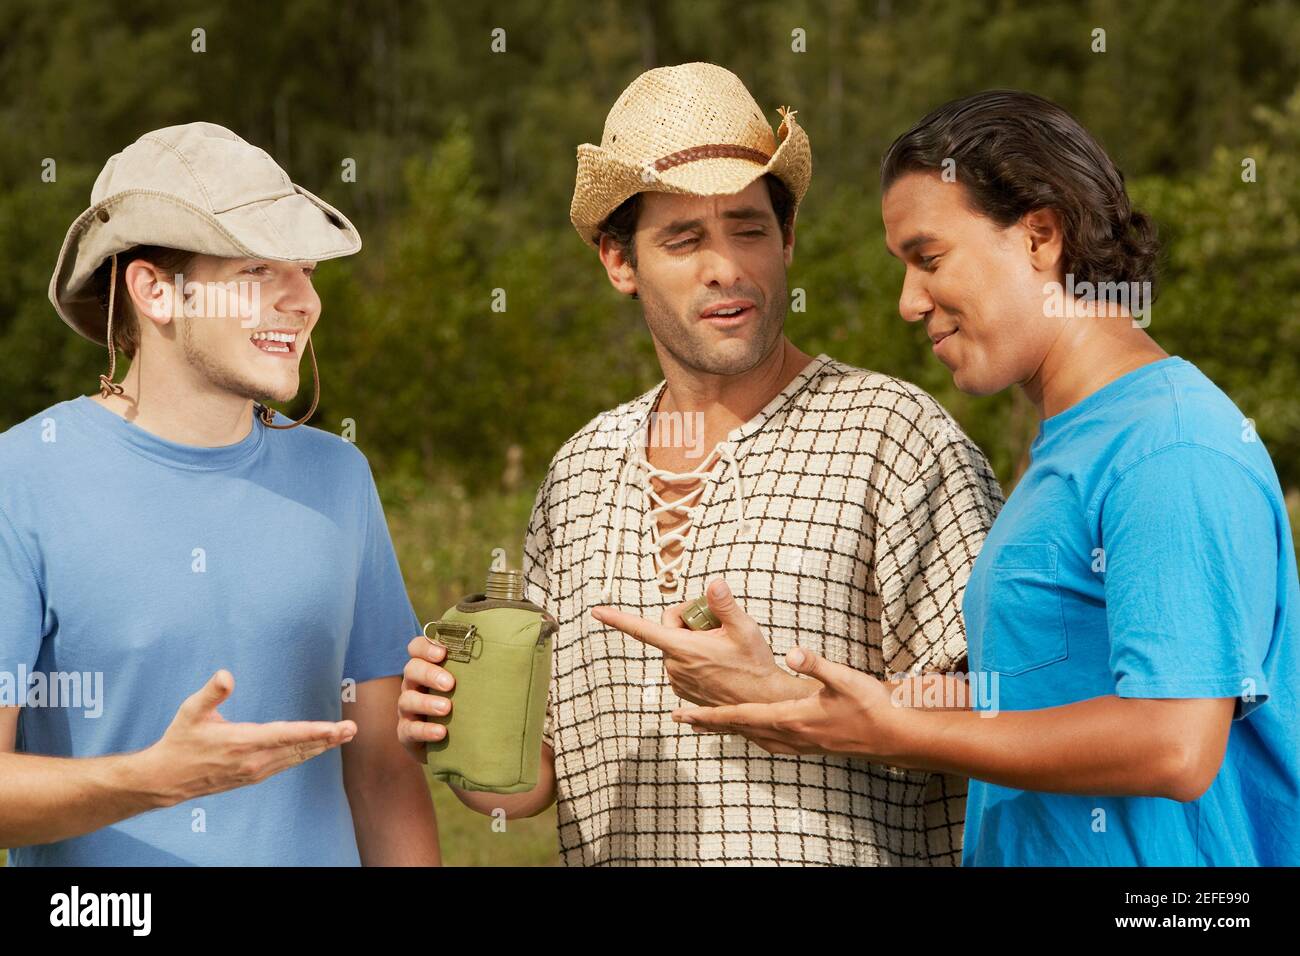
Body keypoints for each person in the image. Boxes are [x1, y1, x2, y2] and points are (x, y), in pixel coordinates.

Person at [652, 90, 1300, 866]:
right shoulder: (1072, 445)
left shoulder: (1168, 446)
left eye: (929, 259)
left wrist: (898, 730)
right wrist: (810, 699)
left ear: (1040, 235)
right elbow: (1024, 703)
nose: (908, 302)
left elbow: (1173, 743)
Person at [399, 63, 1002, 865]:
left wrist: (793, 700)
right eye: (683, 239)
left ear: (787, 239)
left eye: (748, 229)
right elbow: (529, 782)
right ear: (620, 263)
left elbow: (1004, 709)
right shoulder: (579, 471)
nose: (727, 267)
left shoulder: (898, 439)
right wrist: (450, 731)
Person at [0, 122, 439, 866]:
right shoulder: (22, 478)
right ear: (156, 292)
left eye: (305, 271)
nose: (304, 303)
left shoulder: (338, 479)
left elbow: (385, 778)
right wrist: (150, 781)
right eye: (258, 270)